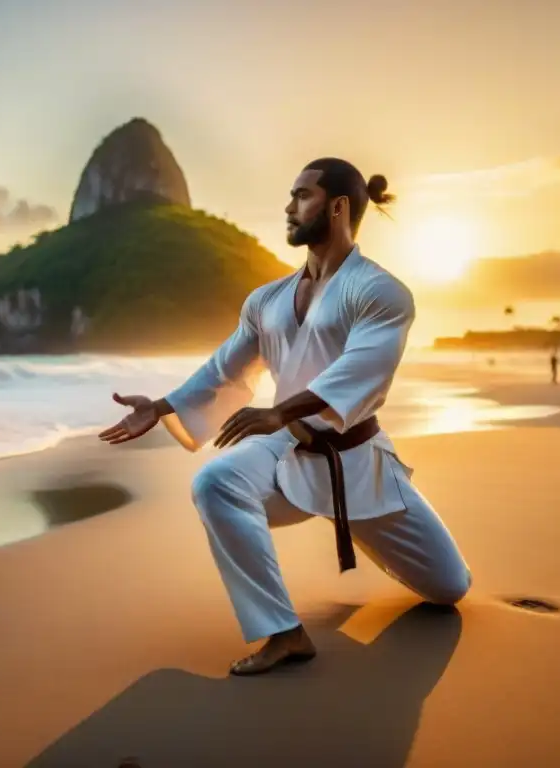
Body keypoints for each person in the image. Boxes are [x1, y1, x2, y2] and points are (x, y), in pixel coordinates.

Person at [97, 158, 471, 675]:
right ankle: (283, 633)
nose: (289, 207)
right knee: (216, 482)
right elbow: (224, 367)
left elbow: (361, 367)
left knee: (450, 587)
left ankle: (362, 523)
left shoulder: (381, 292)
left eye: (302, 196)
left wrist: (280, 410)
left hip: (356, 460)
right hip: (286, 446)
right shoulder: (267, 300)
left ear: (337, 207)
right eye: (291, 196)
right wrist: (162, 407)